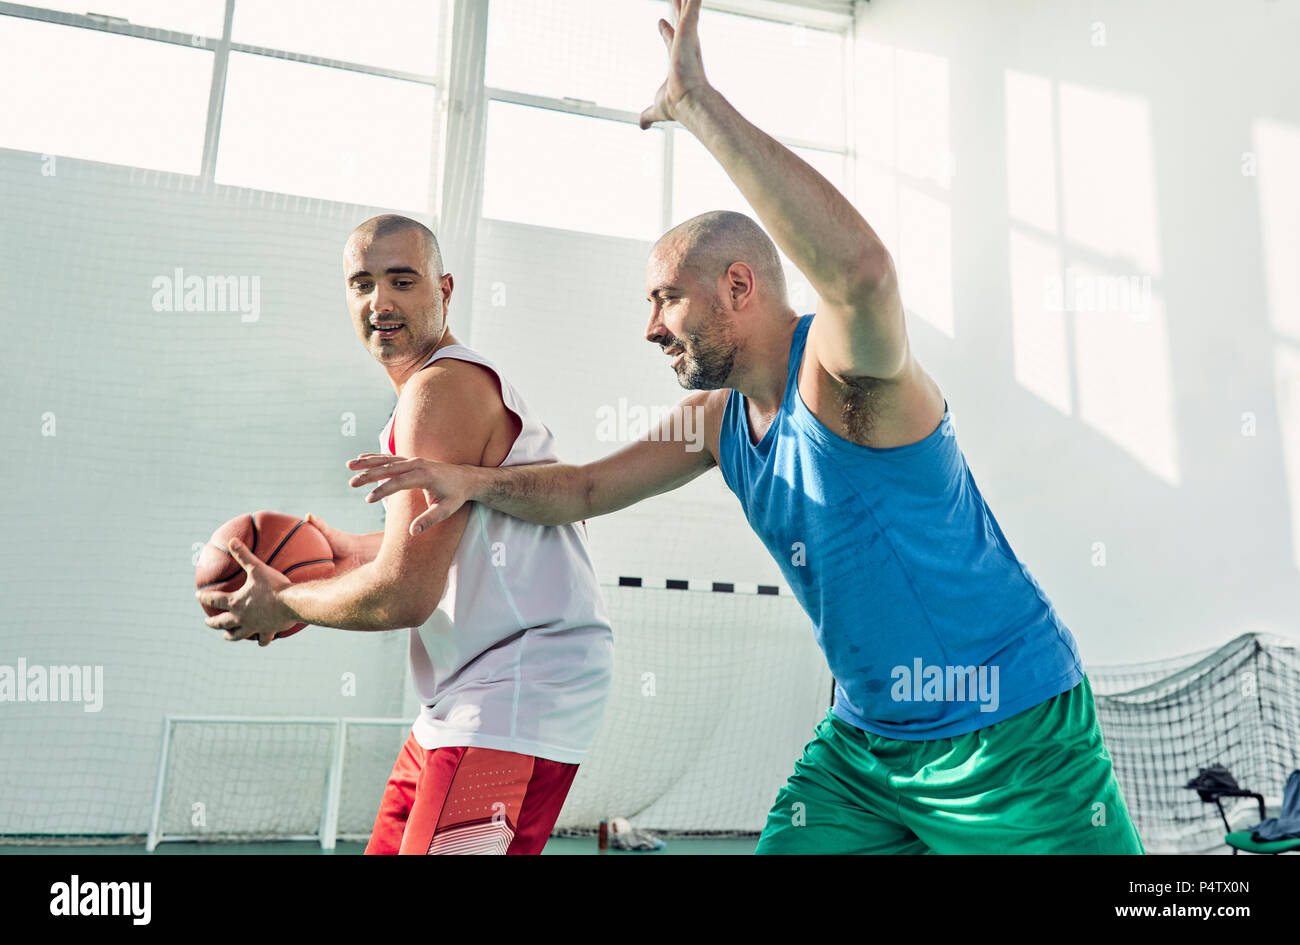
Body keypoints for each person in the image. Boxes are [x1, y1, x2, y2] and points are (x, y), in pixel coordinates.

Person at [343, 0, 1144, 854]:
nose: (651, 327)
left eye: (666, 299)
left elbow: (865, 273)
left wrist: (701, 108)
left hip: (1010, 735)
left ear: (737, 286)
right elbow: (579, 488)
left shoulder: (847, 384)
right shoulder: (716, 423)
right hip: (866, 750)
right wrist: (472, 481)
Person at [196, 214, 614, 855]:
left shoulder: (439, 393)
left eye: (401, 280)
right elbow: (442, 547)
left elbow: (404, 596)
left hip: (517, 695)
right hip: (463, 695)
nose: (380, 301)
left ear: (444, 290)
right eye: (362, 283)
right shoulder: (426, 396)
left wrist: (283, 599)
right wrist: (336, 552)